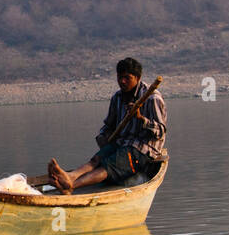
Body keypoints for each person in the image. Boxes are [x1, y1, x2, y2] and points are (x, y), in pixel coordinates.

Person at [45, 58, 166, 194]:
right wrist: (103, 136)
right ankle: (70, 176)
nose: (122, 81)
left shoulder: (152, 98)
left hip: (143, 149)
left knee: (108, 167)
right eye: (120, 77)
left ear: (137, 78)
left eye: (127, 78)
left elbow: (160, 132)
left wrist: (140, 119)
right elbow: (108, 125)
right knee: (96, 159)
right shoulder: (117, 97)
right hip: (122, 143)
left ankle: (71, 186)